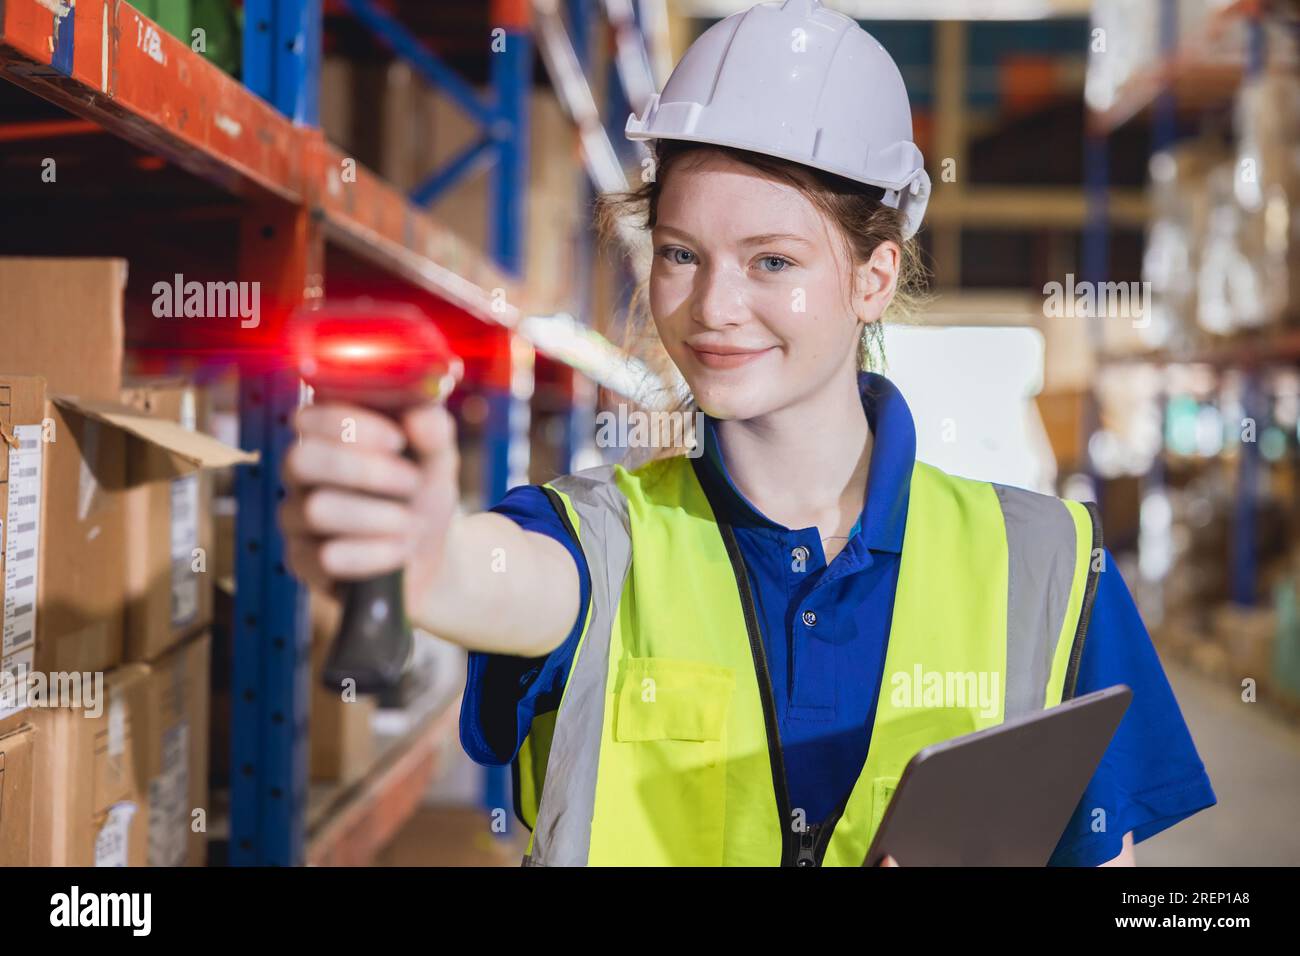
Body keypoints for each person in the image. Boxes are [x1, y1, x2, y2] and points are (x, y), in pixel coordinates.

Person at [280, 0, 1216, 866]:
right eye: (682, 255)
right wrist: (420, 551)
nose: (715, 307)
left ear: (873, 279)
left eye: (773, 260)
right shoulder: (598, 539)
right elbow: (486, 576)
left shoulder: (1050, 560)